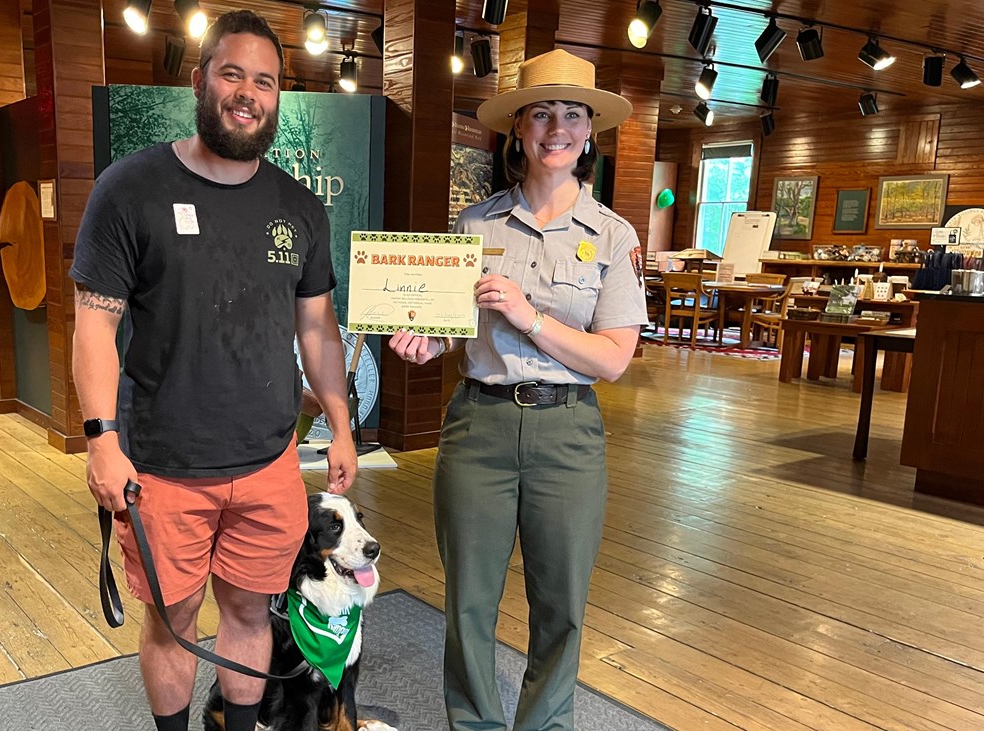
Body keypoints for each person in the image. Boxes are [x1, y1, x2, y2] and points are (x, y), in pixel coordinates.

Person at [69, 11, 357, 731]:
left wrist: (343, 425)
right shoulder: (129, 188)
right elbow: (95, 323)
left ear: (277, 98)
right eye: (232, 74)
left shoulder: (299, 207)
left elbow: (318, 327)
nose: (247, 93)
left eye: (264, 81)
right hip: (163, 463)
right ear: (200, 80)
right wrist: (101, 438)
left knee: (249, 610)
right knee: (173, 619)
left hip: (269, 459)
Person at [389, 49, 648, 731]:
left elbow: (614, 357)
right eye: (541, 113)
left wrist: (531, 318)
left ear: (589, 132)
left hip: (569, 433)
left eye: (571, 115)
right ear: (518, 130)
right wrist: (426, 340)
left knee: (561, 602)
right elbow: (455, 329)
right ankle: (474, 723)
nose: (555, 128)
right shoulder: (473, 226)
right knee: (469, 599)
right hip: (480, 426)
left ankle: (543, 725)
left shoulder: (613, 238)